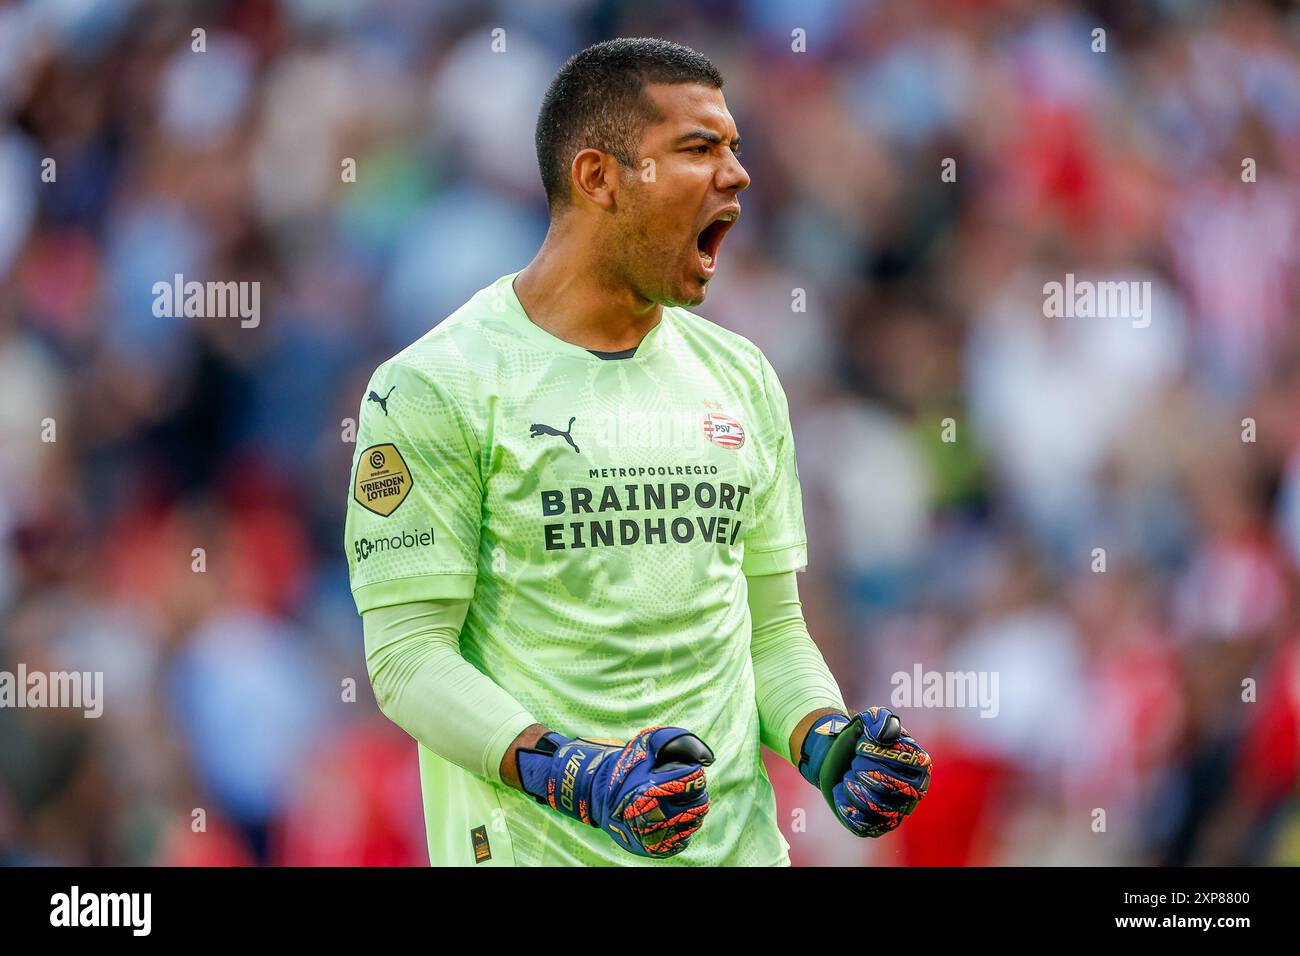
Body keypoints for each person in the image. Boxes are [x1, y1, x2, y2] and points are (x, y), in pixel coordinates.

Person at [344, 37, 931, 866]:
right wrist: (576, 773)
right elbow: (408, 660)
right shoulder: (436, 385)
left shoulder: (742, 377)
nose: (737, 175)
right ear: (598, 178)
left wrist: (823, 740)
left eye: (735, 147)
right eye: (698, 149)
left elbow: (770, 634)